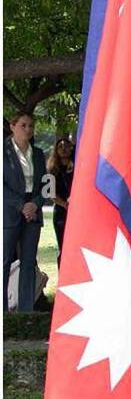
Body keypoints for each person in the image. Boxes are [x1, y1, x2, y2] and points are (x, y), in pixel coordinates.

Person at [4, 111, 46, 311]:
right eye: (23, 125)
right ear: (12, 127)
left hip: (33, 211)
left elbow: (46, 185)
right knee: (4, 262)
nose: (28, 129)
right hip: (10, 211)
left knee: (28, 263)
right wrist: (21, 205)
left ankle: (26, 313)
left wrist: (35, 204)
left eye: (31, 125)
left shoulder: (37, 153)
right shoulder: (3, 151)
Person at [47, 136, 74, 267]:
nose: (64, 149)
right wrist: (65, 204)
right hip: (61, 212)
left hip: (78, 212)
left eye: (67, 146)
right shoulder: (51, 170)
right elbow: (50, 194)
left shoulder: (79, 167)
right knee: (63, 246)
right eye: (60, 147)